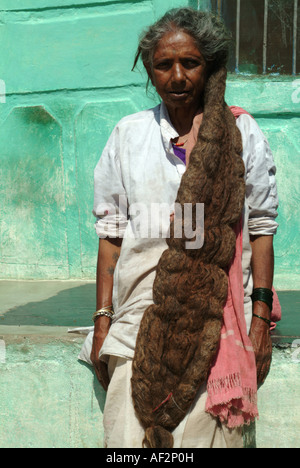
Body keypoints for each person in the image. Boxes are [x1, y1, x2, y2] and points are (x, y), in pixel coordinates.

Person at [80, 7, 280, 448]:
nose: (177, 76)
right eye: (163, 64)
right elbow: (111, 236)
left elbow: (262, 228)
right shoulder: (129, 136)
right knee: (128, 439)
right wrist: (101, 323)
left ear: (208, 65)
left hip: (219, 317)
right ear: (150, 71)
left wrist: (260, 321)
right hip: (140, 316)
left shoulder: (241, 133)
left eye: (189, 63)